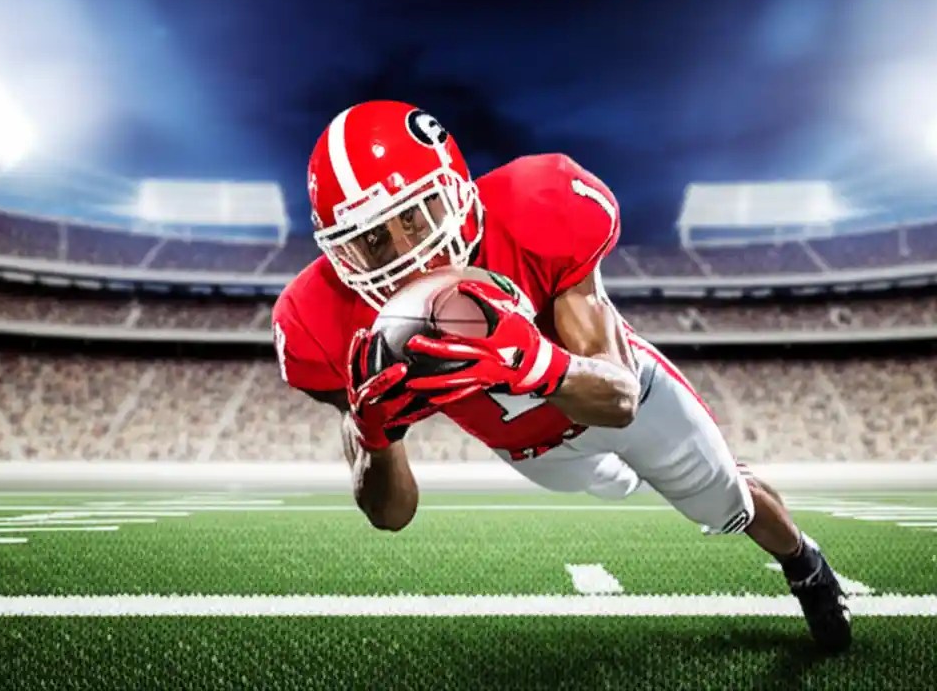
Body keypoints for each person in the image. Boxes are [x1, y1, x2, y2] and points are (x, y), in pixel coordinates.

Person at [272, 100, 851, 652]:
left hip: (614, 396)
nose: (412, 256)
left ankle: (804, 563)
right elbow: (391, 515)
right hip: (534, 451)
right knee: (612, 485)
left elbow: (620, 400)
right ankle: (647, 478)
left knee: (726, 501)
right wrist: (375, 438)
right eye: (373, 240)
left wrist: (531, 360)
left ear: (456, 191)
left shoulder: (535, 205)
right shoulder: (319, 321)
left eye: (416, 215)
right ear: (341, 256)